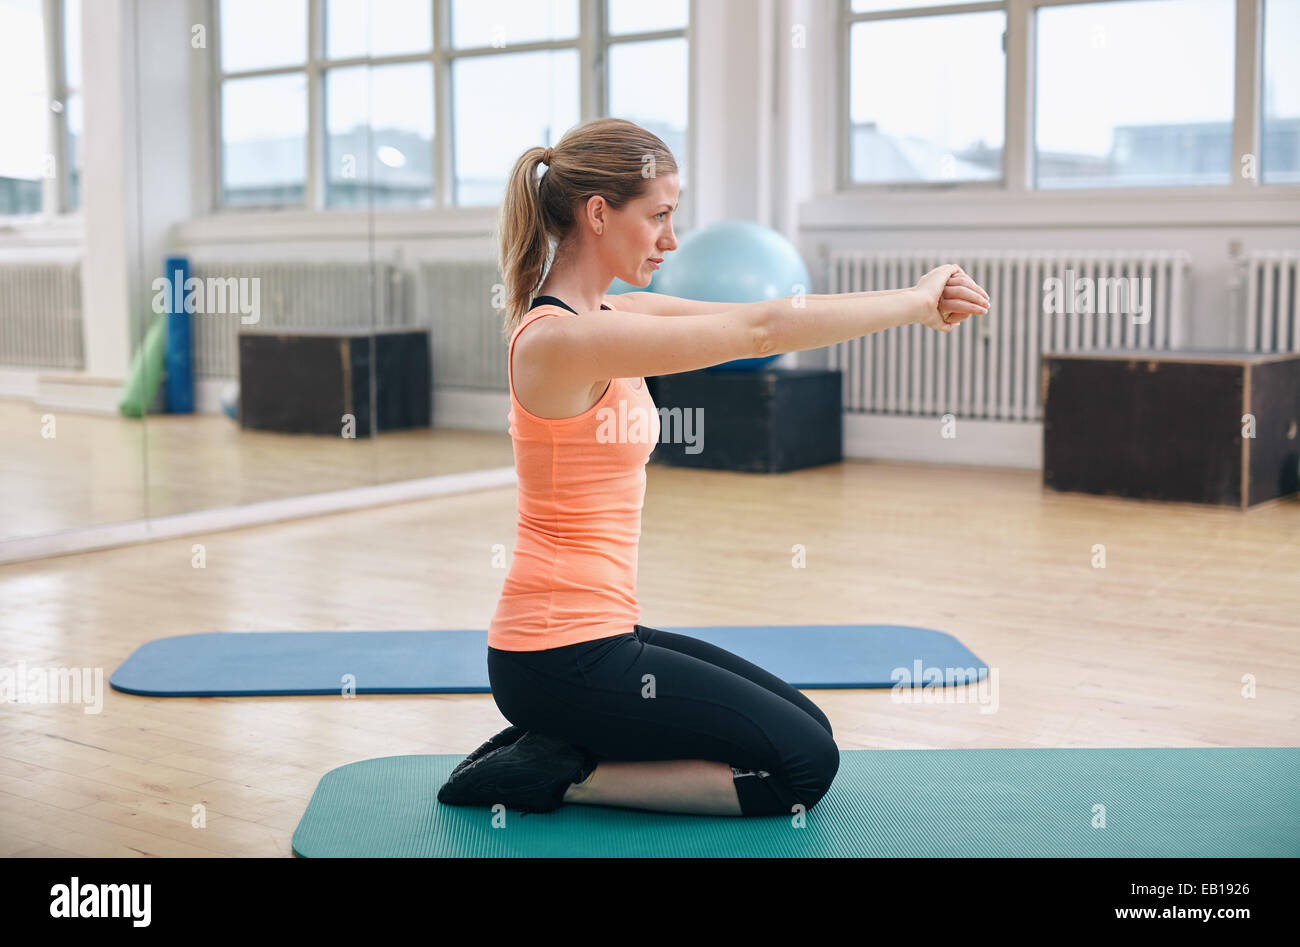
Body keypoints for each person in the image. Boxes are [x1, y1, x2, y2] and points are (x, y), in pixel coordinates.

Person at [437, 117, 990, 818]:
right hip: (556, 657)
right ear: (599, 213)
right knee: (804, 768)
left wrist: (909, 298)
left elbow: (768, 312)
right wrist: (915, 305)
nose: (672, 240)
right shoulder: (563, 341)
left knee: (809, 726)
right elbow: (761, 334)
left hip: (601, 636)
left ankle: (565, 741)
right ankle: (565, 774)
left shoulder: (616, 313)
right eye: (660, 216)